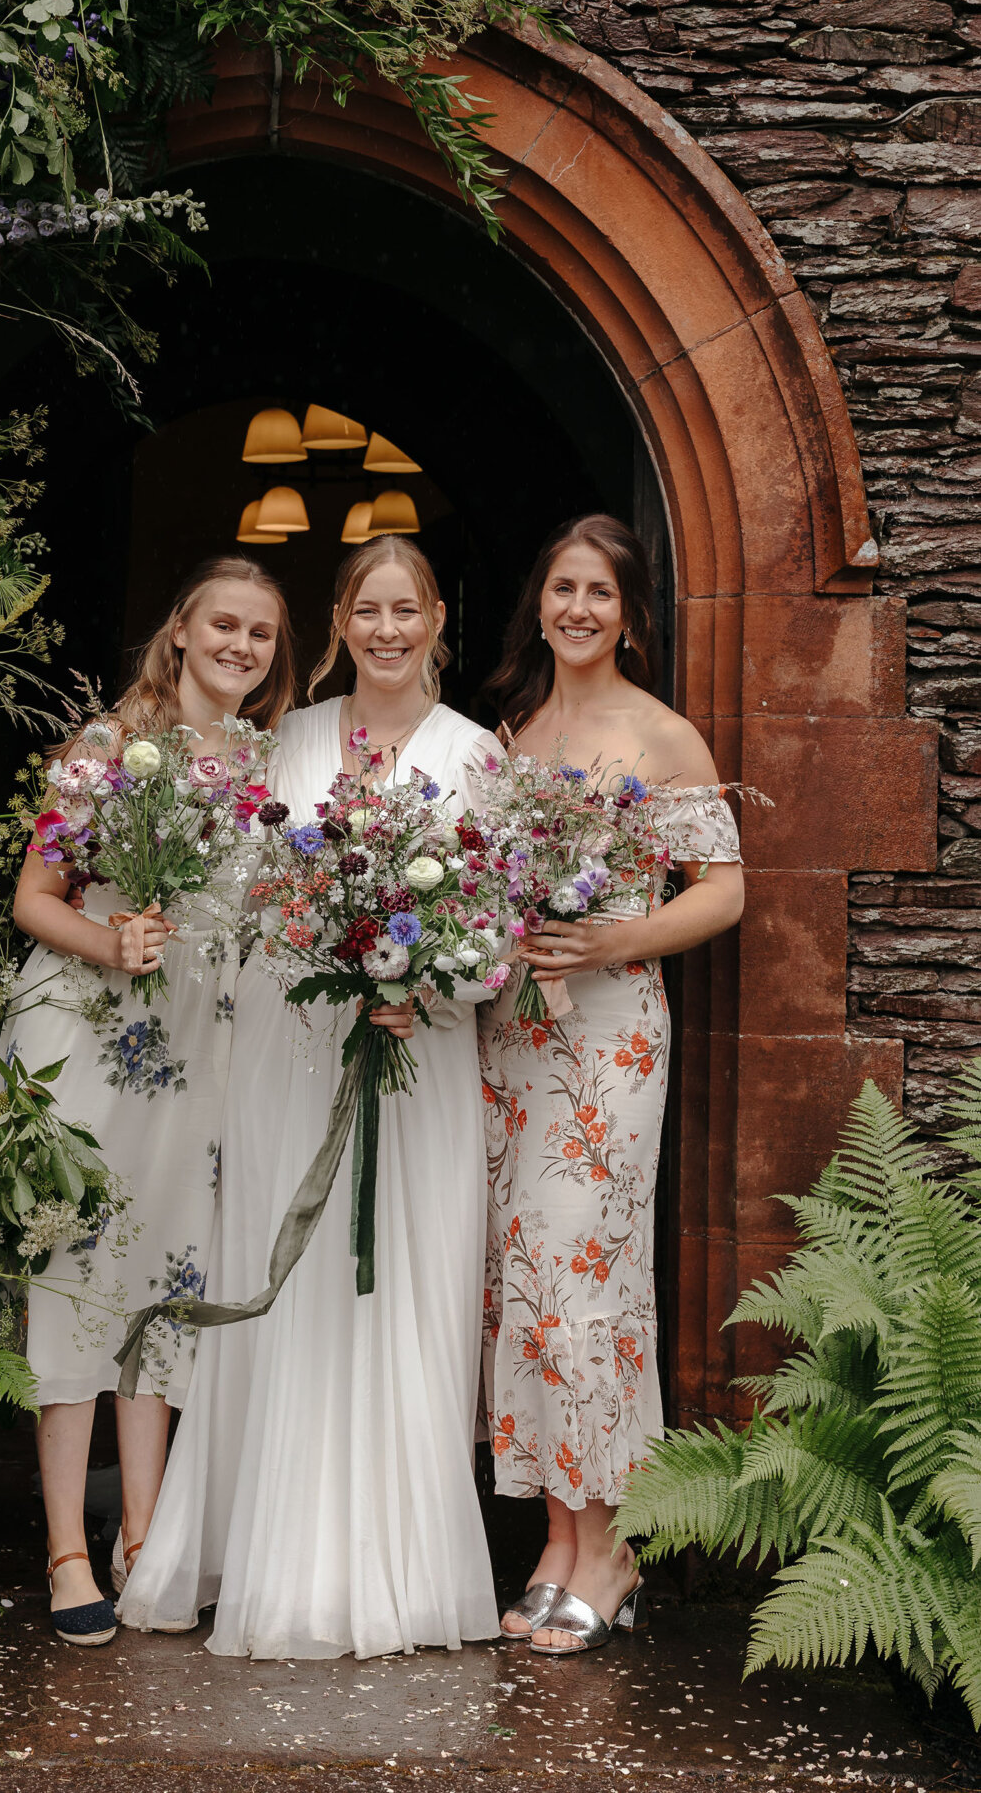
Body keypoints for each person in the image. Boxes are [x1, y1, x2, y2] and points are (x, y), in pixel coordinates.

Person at [119, 536, 504, 1659]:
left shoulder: (474, 754)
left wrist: (430, 985)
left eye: (407, 610)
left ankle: (398, 1568)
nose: (386, 630)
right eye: (366, 611)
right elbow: (232, 899)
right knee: (285, 1288)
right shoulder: (277, 743)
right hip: (283, 1063)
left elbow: (499, 935)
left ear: (437, 620)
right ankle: (262, 1548)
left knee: (399, 1293)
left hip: (415, 1067)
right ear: (337, 622)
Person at [0, 556, 296, 1645]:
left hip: (200, 1048)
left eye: (261, 635)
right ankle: (67, 1547)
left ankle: (146, 1536)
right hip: (86, 1035)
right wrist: (110, 936)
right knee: (77, 1275)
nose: (241, 647)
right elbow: (35, 896)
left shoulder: (270, 764)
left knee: (167, 1278)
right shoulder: (106, 749)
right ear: (180, 631)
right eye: (224, 625)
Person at [479, 513, 744, 1656]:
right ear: (538, 603)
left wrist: (613, 938)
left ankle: (615, 1545)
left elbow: (722, 891)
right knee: (522, 1280)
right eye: (560, 589)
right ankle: (555, 1535)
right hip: (513, 1036)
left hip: (610, 1036)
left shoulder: (661, 734)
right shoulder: (514, 729)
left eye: (598, 592)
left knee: (584, 1272)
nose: (576, 608)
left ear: (631, 615)